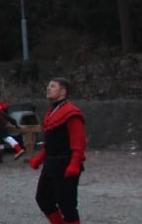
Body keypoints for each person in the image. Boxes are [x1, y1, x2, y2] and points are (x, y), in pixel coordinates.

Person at [29, 78, 86, 224]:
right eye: (48, 86)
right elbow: (51, 143)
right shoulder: (53, 111)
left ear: (63, 91)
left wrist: (74, 162)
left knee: (67, 204)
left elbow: (78, 141)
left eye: (53, 86)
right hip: (51, 163)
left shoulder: (71, 112)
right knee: (43, 198)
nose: (48, 88)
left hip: (66, 163)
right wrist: (41, 157)